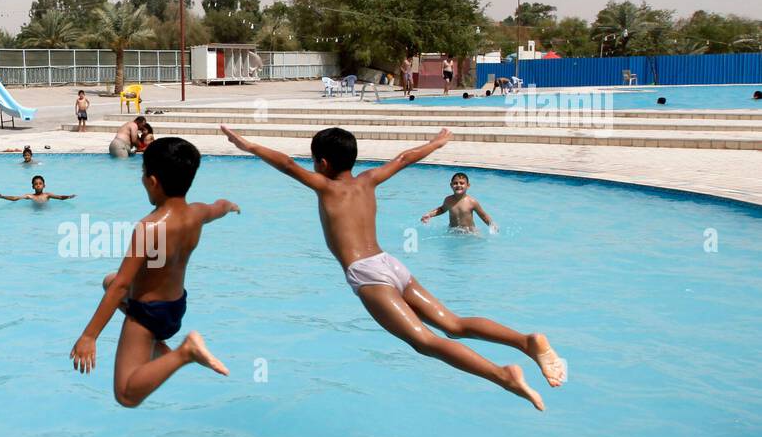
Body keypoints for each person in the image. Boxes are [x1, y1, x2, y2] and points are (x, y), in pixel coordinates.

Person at [221, 125, 564, 410]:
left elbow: (285, 164)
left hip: (368, 275)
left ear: (321, 163)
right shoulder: (368, 180)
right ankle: (526, 341)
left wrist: (245, 143)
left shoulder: (324, 187)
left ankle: (504, 376)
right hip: (391, 264)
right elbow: (403, 159)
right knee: (453, 324)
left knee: (425, 341)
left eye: (313, 162)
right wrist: (436, 143)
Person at [71, 137, 239, 406]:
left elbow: (123, 286)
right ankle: (160, 350)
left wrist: (89, 336)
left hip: (148, 316)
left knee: (126, 394)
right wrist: (230, 206)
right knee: (107, 280)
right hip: (175, 307)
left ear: (152, 181)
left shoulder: (149, 227)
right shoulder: (197, 213)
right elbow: (218, 207)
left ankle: (185, 353)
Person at [421, 172, 497, 233]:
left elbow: (483, 215)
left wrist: (492, 225)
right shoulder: (448, 200)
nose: (458, 185)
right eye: (455, 183)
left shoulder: (472, 202)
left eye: (462, 183)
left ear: (468, 185)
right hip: (453, 230)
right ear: (451, 185)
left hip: (469, 232)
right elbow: (442, 209)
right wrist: (429, 214)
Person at [0, 175, 76, 204]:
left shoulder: (47, 195)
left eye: (40, 183)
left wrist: (69, 196)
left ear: (44, 185)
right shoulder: (30, 196)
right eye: (36, 184)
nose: (38, 185)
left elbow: (60, 197)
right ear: (33, 187)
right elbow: (15, 198)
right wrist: (2, 196)